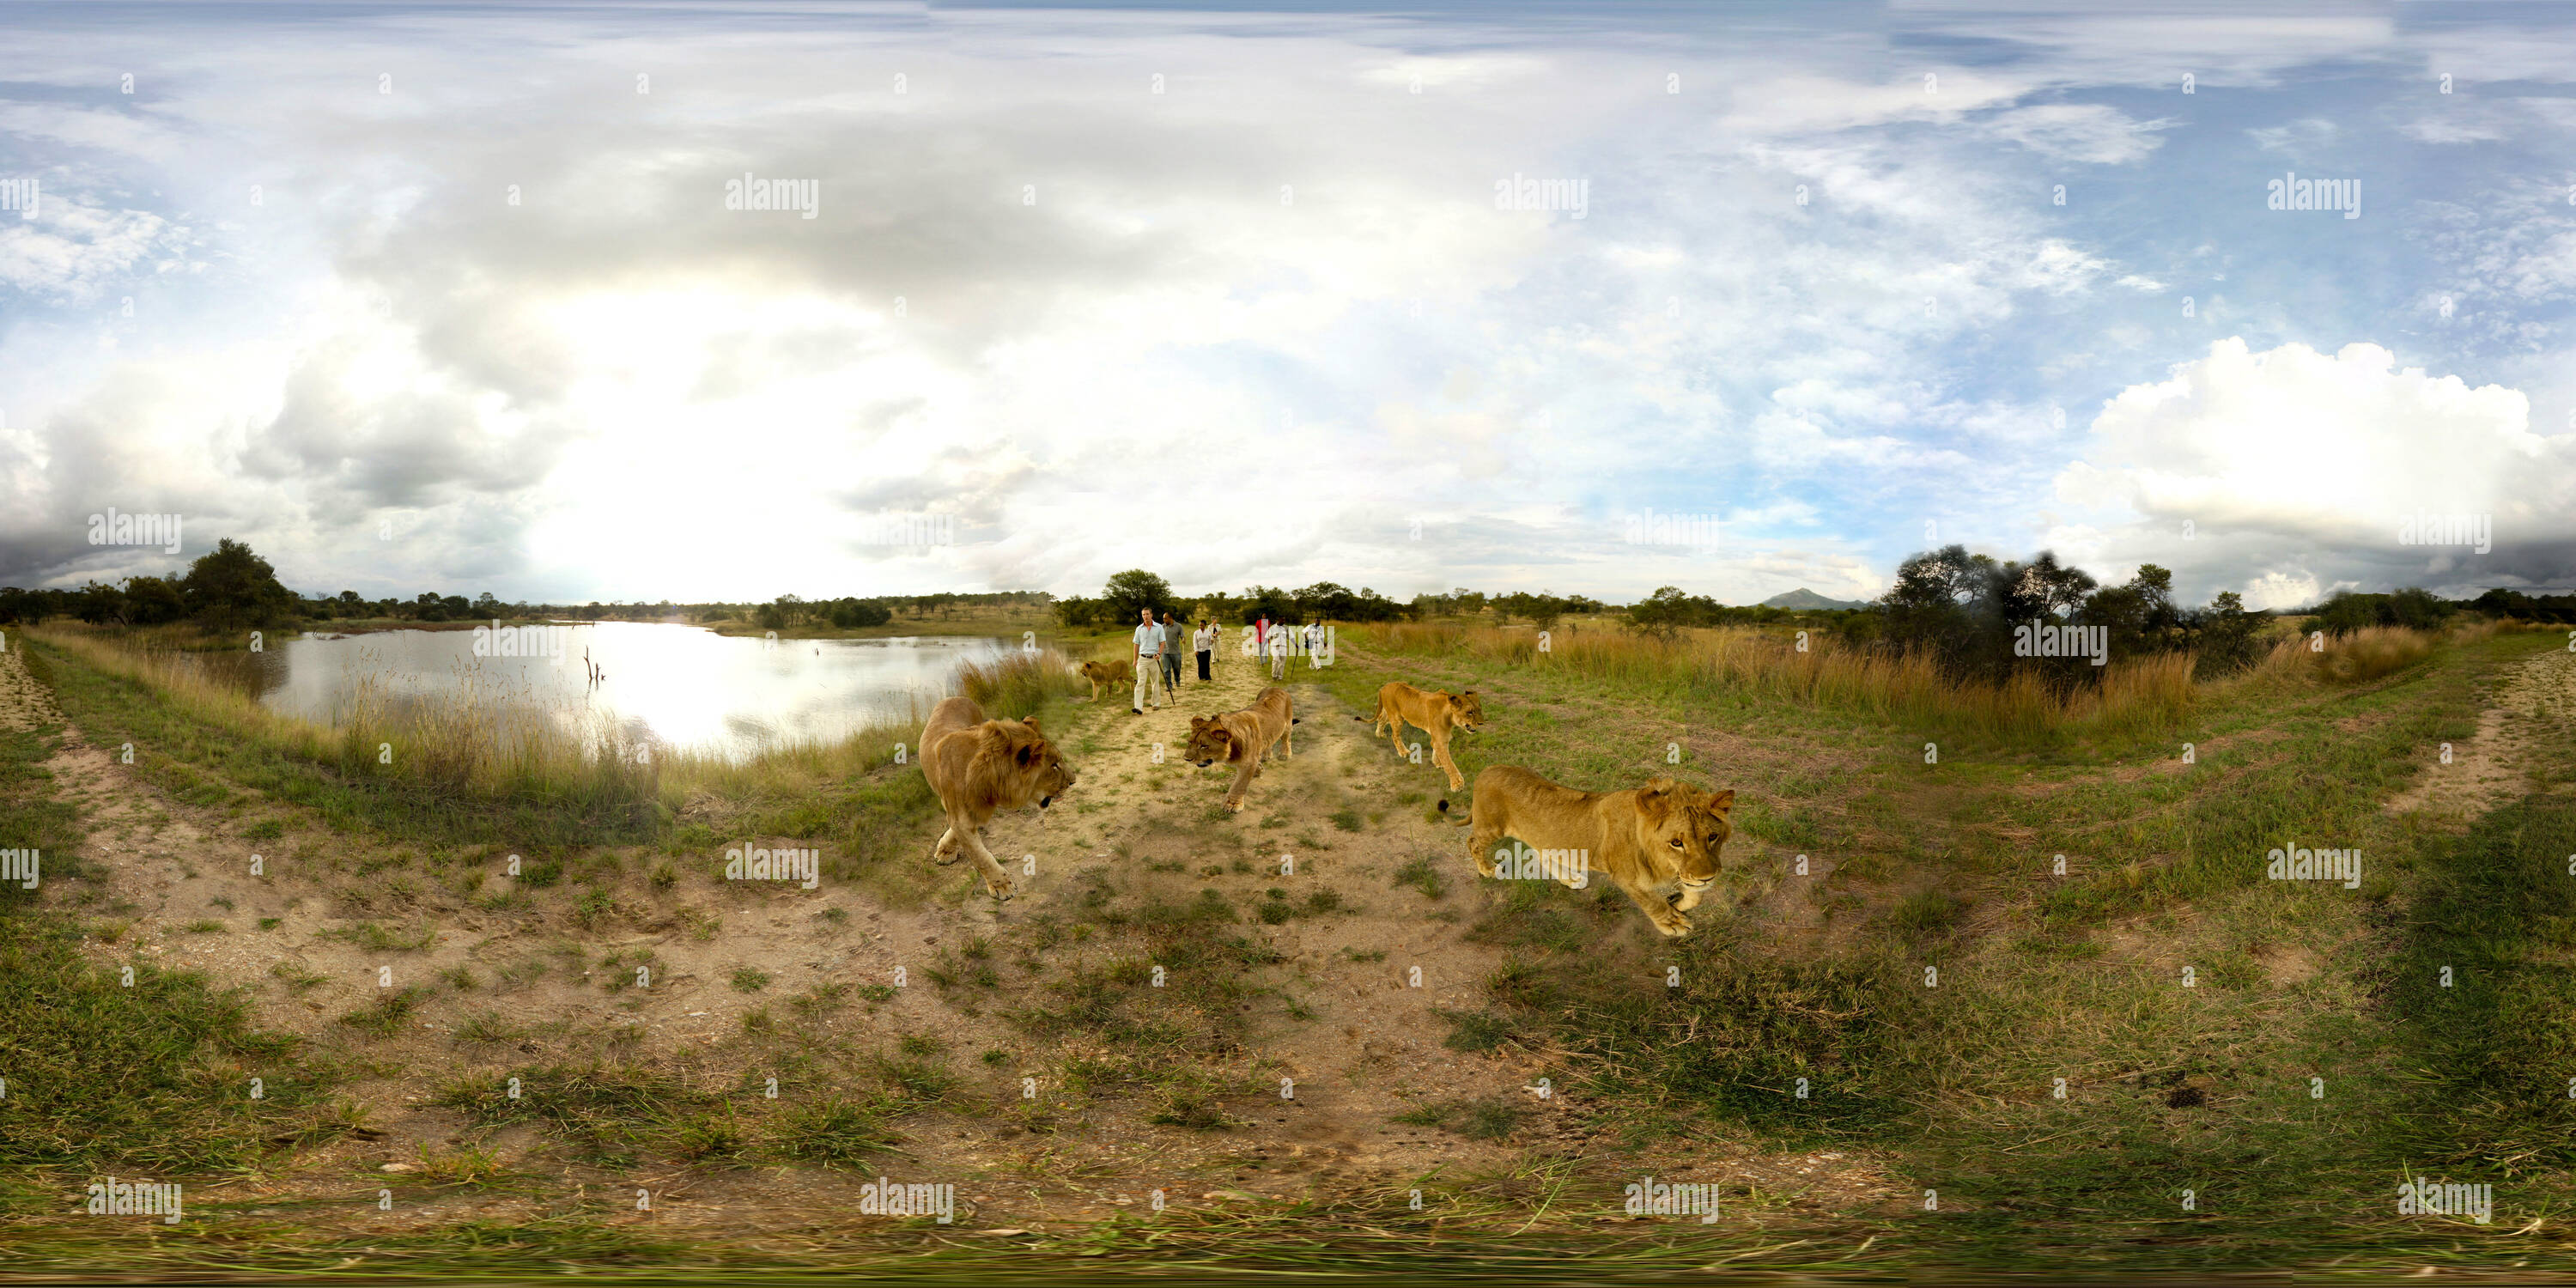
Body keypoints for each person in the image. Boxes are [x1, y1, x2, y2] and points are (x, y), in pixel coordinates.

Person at [1131, 606, 1166, 714]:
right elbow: (1136, 644)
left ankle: (1155, 704)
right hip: (1142, 659)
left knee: (1155, 682)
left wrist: (1159, 654)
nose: (1145, 616)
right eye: (1143, 615)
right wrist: (1135, 660)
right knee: (1141, 682)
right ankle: (1138, 707)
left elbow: (1162, 642)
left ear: (1151, 615)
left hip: (1154, 659)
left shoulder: (1159, 627)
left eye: (1147, 614)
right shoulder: (1139, 629)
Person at [1159, 610, 1185, 693]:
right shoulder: (1162, 627)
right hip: (1165, 652)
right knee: (1166, 669)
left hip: (1176, 652)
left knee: (1177, 668)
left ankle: (1177, 679)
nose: (1164, 620)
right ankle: (1169, 685)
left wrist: (1183, 639)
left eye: (1165, 618)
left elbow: (1182, 636)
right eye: (1163, 619)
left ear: (1170, 618)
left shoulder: (1178, 626)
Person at [1194, 617, 1217, 683]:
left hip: (1207, 649)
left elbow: (1209, 642)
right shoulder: (1196, 633)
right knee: (1200, 664)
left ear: (1205, 625)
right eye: (1199, 625)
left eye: (1202, 625)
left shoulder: (1208, 632)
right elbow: (1195, 642)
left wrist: (1212, 641)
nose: (1200, 626)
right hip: (1199, 650)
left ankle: (1207, 676)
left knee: (1206, 663)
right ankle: (1201, 676)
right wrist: (1196, 650)